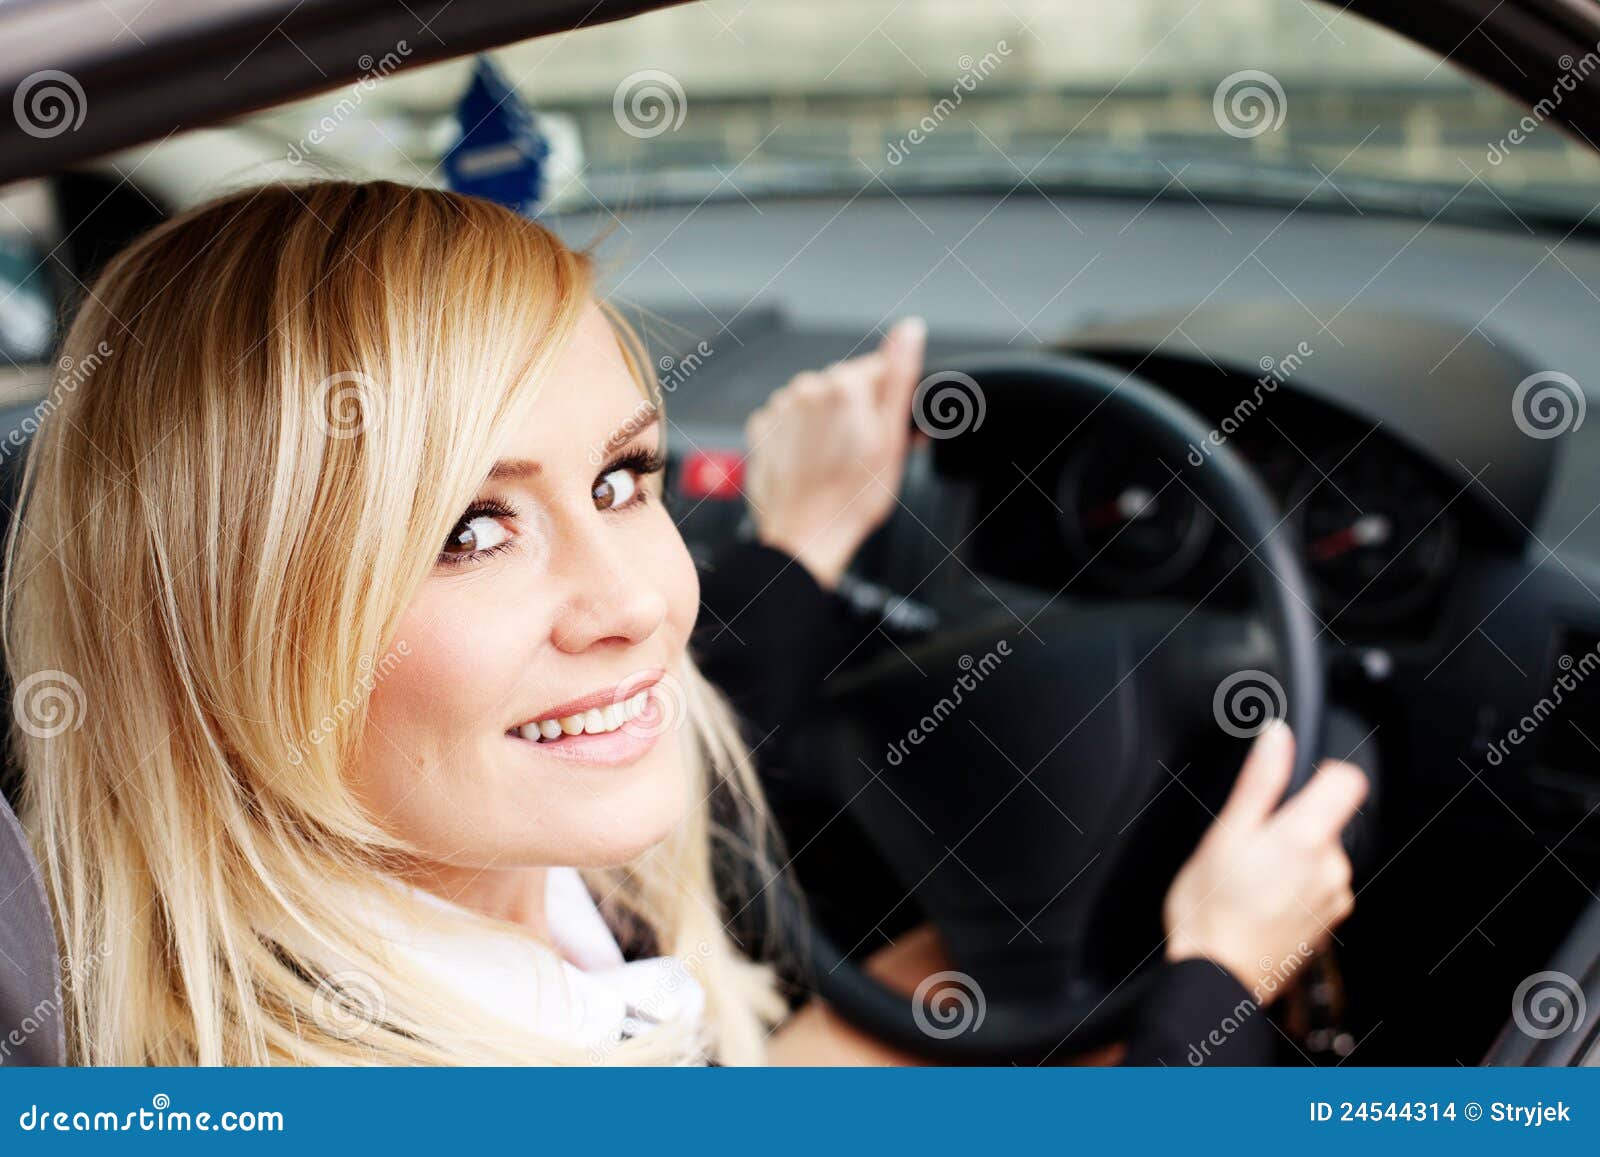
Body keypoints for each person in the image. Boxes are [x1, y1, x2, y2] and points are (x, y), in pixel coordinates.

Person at [6, 180, 1364, 1066]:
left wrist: (801, 541)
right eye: (469, 530)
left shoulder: (456, 885)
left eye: (621, 477)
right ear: (222, 633)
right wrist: (1213, 984)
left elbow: (713, 727)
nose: (638, 598)